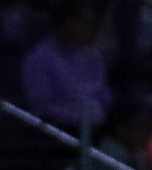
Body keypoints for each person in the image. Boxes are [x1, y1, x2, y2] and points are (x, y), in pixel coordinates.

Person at [20, 1, 111, 130]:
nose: (90, 28)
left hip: (99, 128)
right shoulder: (39, 58)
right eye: (86, 23)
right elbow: (42, 107)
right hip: (61, 133)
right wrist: (77, 117)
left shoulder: (93, 56)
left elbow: (104, 97)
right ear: (69, 24)